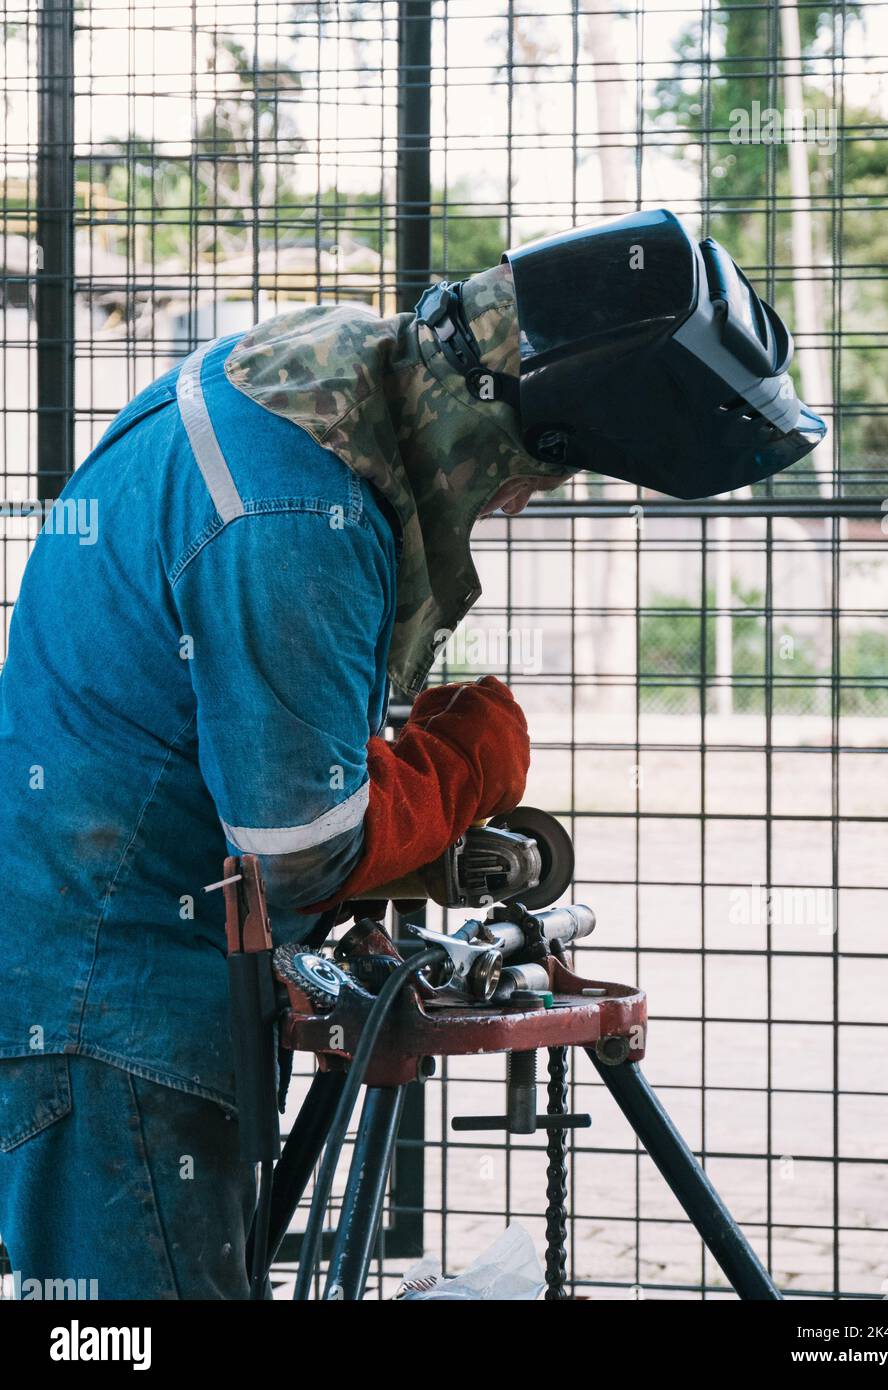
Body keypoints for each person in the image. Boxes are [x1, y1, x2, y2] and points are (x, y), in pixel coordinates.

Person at [0, 208, 825, 1299]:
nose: (519, 502)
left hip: (96, 969)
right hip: (111, 1014)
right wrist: (468, 765)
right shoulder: (296, 515)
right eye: (536, 481)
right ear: (523, 445)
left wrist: (418, 823)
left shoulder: (312, 380)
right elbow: (296, 850)